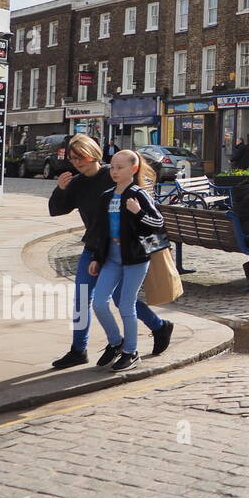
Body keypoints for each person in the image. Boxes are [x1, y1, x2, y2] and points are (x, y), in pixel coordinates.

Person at [47, 135, 174, 370]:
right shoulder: (76, 183)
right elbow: (57, 210)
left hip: (124, 250)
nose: (76, 162)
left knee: (121, 300)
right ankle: (78, 350)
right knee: (82, 298)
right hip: (95, 248)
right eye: (72, 158)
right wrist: (61, 189)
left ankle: (158, 327)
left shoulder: (113, 173)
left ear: (94, 153)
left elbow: (142, 196)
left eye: (81, 156)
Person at [86, 150, 166, 373]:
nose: (114, 171)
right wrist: (96, 258)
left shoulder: (138, 194)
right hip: (110, 258)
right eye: (112, 167)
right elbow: (100, 231)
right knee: (99, 302)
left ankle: (131, 351)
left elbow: (158, 223)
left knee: (126, 305)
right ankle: (116, 342)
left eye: (120, 167)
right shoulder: (106, 196)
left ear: (133, 169)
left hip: (135, 258)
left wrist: (138, 212)